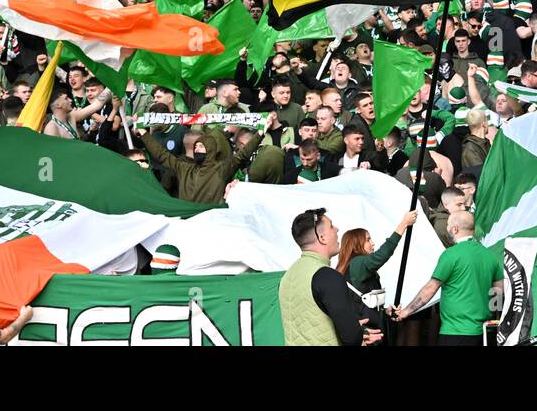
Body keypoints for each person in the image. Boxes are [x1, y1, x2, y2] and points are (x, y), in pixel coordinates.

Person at [278, 208, 381, 346]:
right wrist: (356, 332)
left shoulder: (287, 276)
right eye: (331, 226)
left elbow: (309, 323)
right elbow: (352, 338)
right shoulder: (328, 276)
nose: (337, 229)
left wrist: (353, 327)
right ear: (322, 238)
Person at [394, 211, 501, 344]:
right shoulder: (490, 256)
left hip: (454, 332)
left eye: (448, 224)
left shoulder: (450, 255)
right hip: (483, 333)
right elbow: (498, 294)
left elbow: (430, 289)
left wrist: (406, 311)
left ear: (455, 229)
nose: (447, 227)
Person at [136, 115, 275, 202]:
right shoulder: (184, 168)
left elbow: (243, 154)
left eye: (201, 146)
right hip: (187, 221)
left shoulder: (221, 169)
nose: (197, 150)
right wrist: (143, 132)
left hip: (212, 221)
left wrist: (260, 133)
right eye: (195, 147)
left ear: (210, 149)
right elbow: (161, 154)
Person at [337, 210, 419, 302]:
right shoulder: (357, 263)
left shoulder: (356, 265)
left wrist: (385, 312)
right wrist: (404, 224)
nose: (373, 243)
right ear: (356, 245)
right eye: (368, 240)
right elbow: (381, 255)